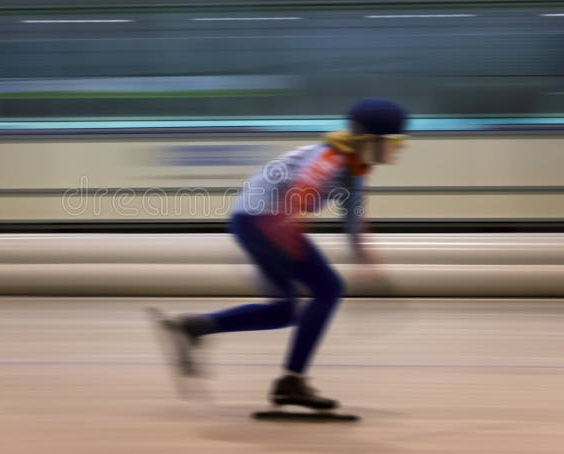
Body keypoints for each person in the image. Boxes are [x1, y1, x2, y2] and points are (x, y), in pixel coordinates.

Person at [156, 98, 408, 411]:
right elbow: (300, 193)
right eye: (397, 142)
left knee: (286, 311)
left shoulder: (355, 170)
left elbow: (354, 224)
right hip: (266, 219)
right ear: (372, 140)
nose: (400, 150)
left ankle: (196, 327)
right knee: (328, 288)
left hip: (254, 218)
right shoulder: (329, 159)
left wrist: (369, 265)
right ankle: (292, 383)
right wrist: (292, 236)